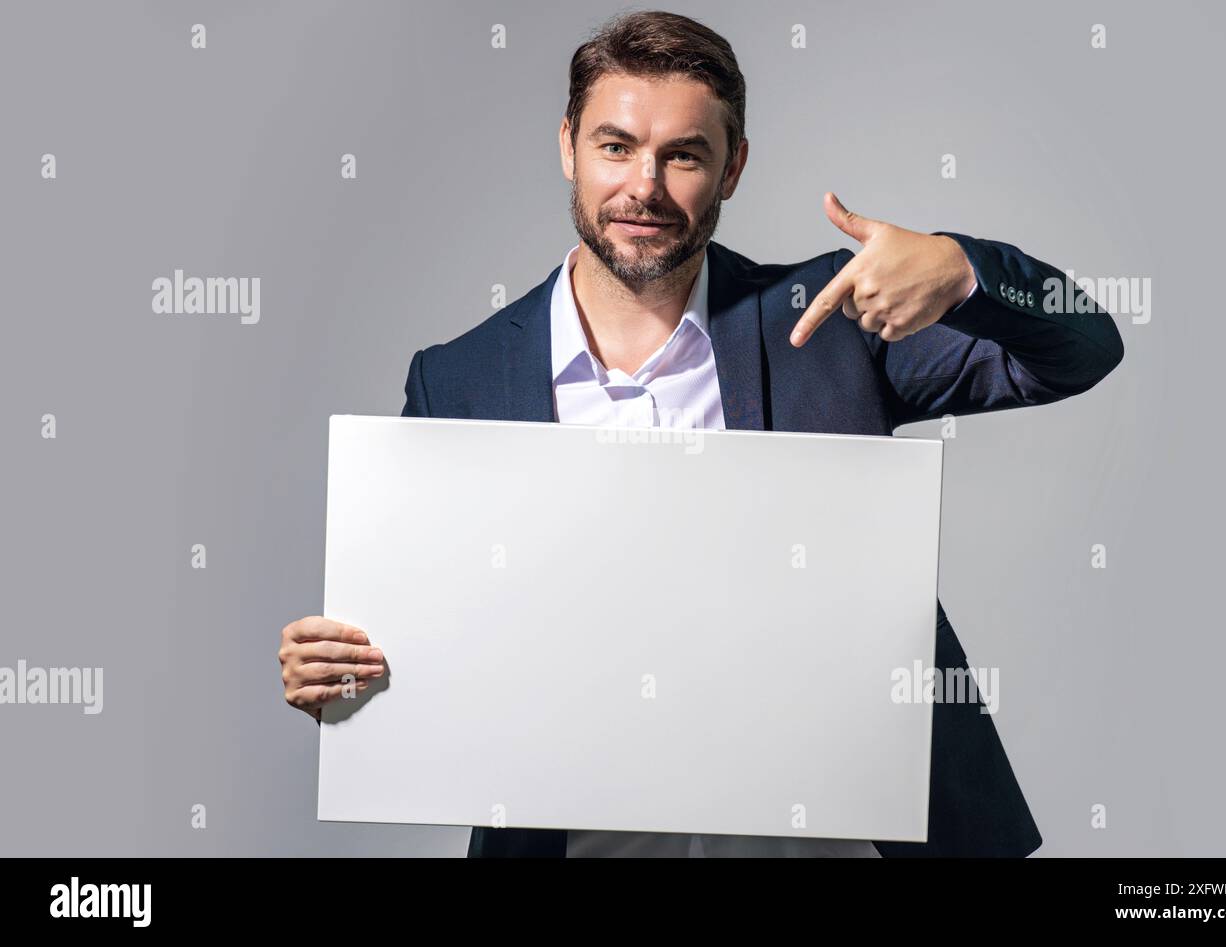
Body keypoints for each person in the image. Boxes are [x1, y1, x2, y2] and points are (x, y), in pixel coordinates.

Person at [279, 10, 1123, 858]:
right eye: (616, 146)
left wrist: (964, 268)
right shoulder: (456, 382)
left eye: (682, 154)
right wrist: (341, 673)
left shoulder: (832, 320)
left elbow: (1082, 350)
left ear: (733, 168)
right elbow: (427, 635)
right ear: (568, 146)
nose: (643, 186)